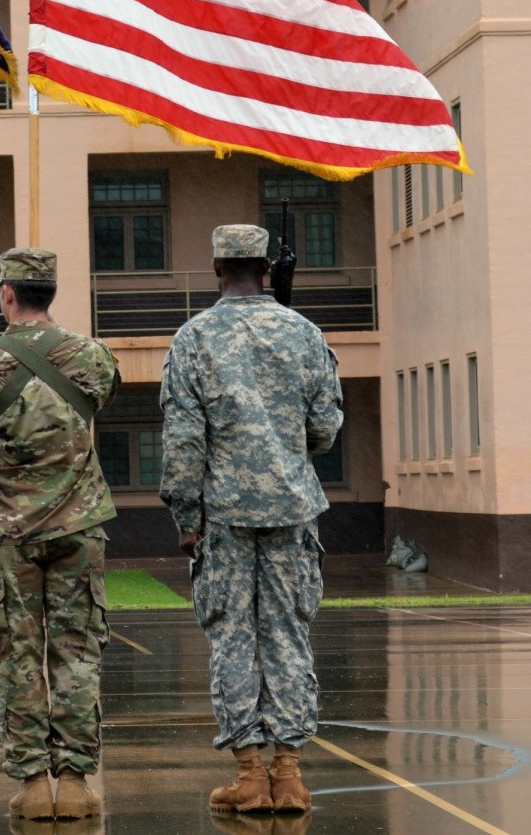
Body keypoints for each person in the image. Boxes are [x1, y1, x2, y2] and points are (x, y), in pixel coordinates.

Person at [160, 225, 344, 815]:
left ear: (217, 267)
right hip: (292, 510)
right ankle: (289, 775)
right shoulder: (304, 333)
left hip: (223, 515)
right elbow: (325, 429)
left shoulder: (193, 338)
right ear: (266, 268)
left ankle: (249, 775)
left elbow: (184, 438)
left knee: (232, 637)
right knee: (289, 635)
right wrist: (283, 448)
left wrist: (186, 516)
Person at [0, 248, 120, 822]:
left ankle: (34, 783)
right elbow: (98, 403)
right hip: (79, 524)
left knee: (17, 656)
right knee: (77, 651)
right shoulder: (92, 357)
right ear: (51, 293)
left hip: (9, 532)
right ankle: (76, 782)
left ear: (7, 295)